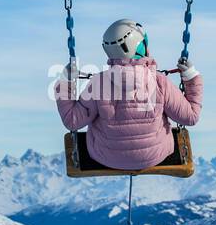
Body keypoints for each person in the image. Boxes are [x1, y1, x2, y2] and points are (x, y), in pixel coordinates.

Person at [55, 19, 203, 170]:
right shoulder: (159, 82)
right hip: (155, 156)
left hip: (105, 157)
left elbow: (72, 121)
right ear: (140, 45)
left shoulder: (98, 83)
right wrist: (191, 77)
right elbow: (190, 117)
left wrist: (66, 81)